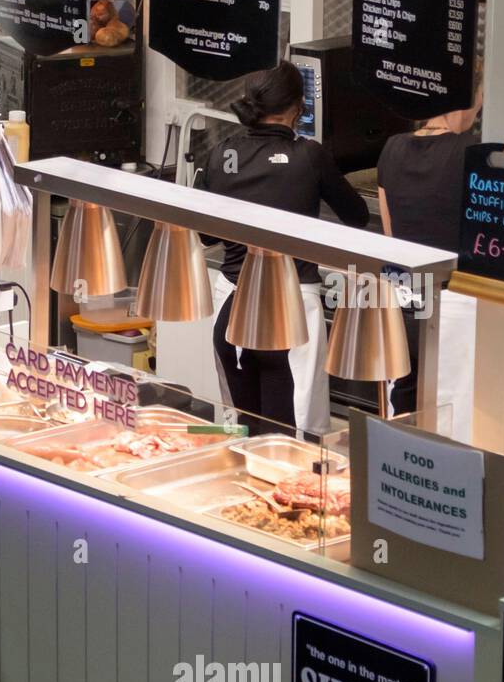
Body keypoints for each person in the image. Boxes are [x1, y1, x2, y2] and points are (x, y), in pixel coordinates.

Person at [196, 61, 370, 438]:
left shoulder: (220, 153)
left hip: (230, 307)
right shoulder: (310, 155)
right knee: (295, 441)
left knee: (242, 432)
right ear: (298, 107)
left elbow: (205, 237)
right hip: (292, 312)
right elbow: (356, 216)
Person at [378, 79, 483, 438]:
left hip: (403, 294)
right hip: (457, 301)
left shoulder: (392, 148)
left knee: (404, 402)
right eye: (479, 97)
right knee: (452, 411)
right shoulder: (474, 152)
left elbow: (391, 237)